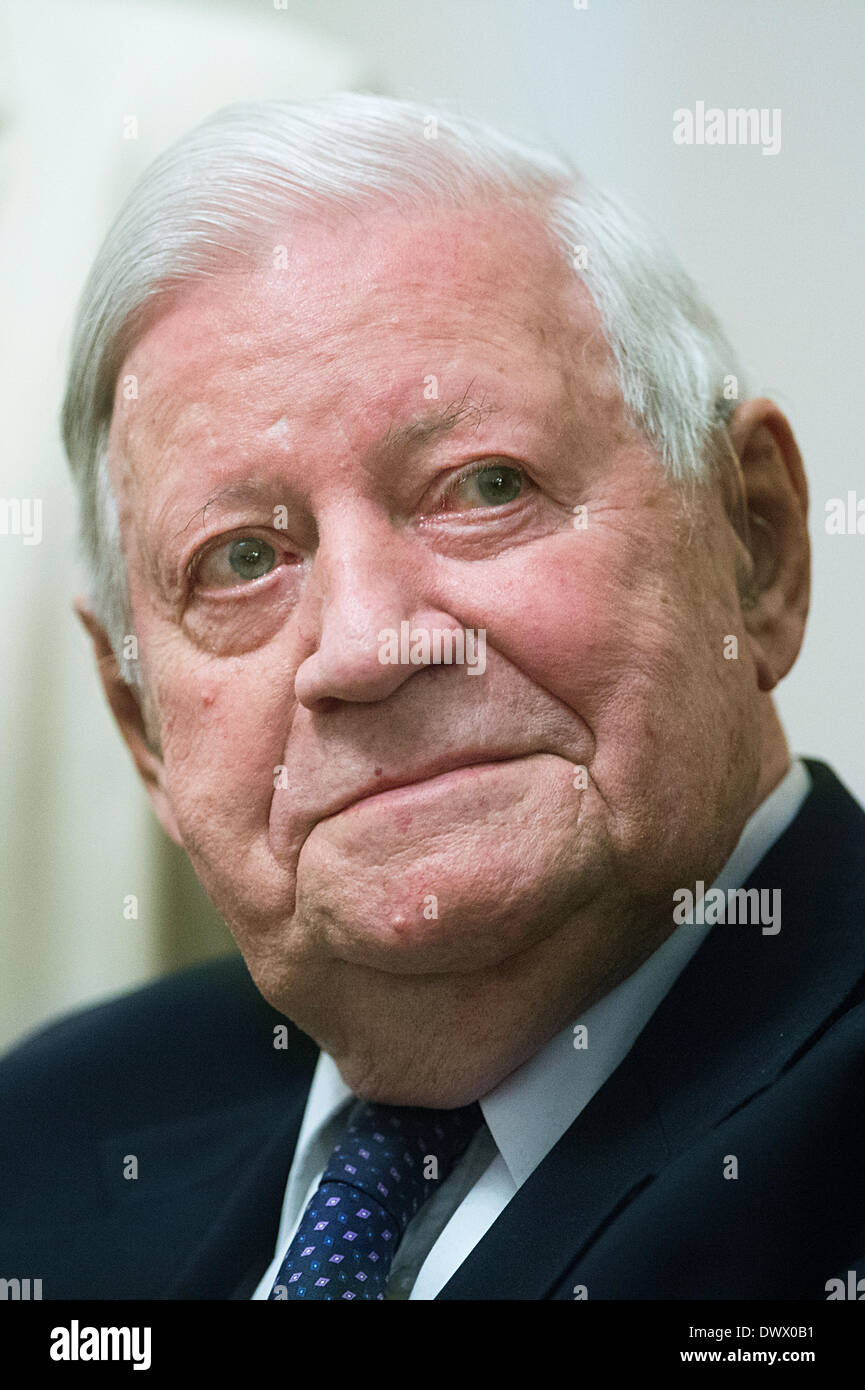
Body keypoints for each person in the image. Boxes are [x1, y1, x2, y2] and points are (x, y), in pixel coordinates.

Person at [2, 93, 863, 1301]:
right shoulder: (43, 1134)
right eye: (242, 558)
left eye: (480, 486)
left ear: (753, 542)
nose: (366, 645)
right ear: (141, 723)